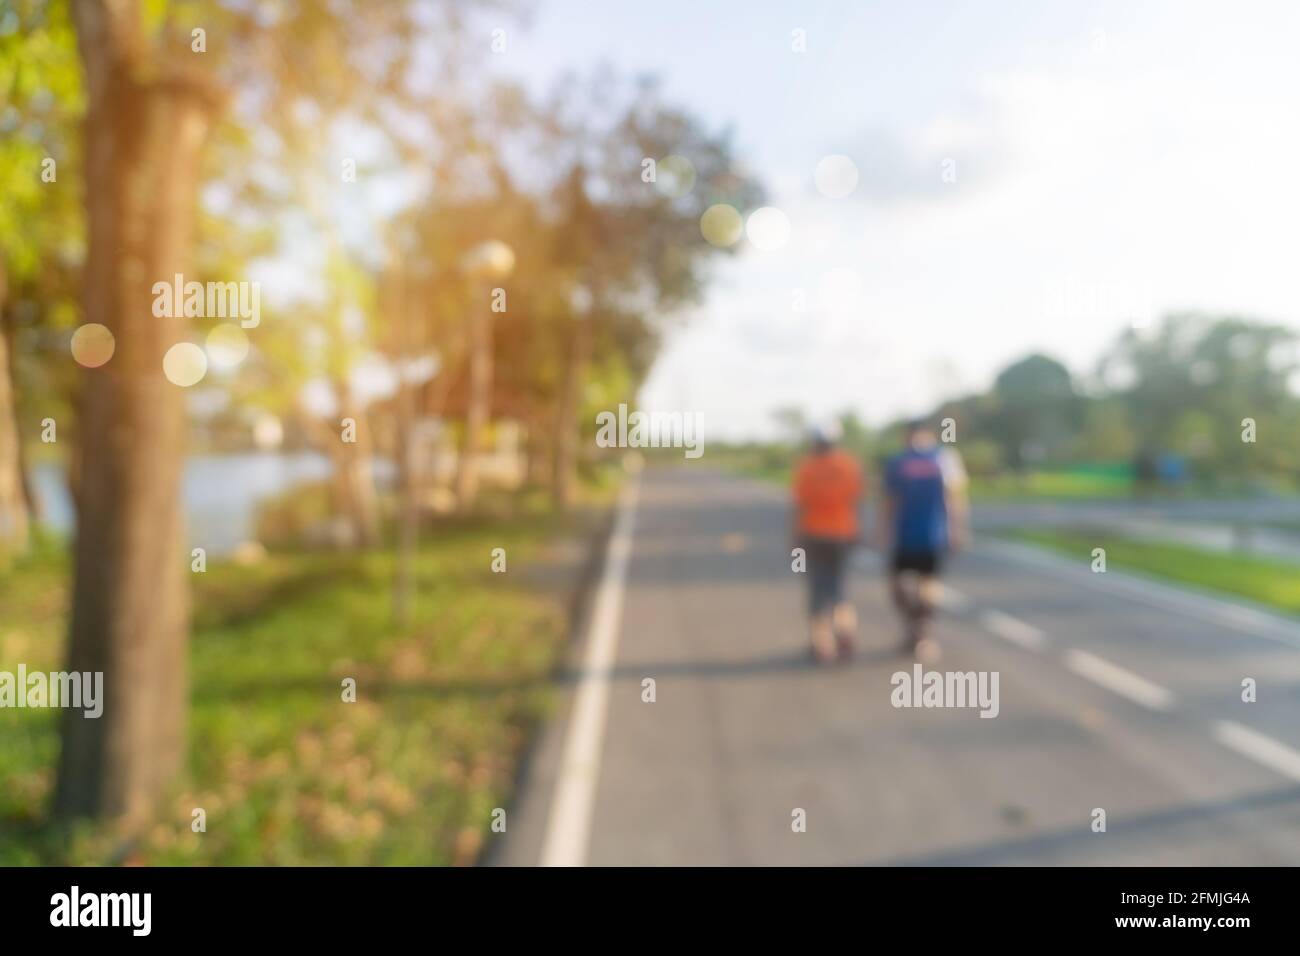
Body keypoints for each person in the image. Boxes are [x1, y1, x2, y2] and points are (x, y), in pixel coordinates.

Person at [877, 419, 970, 661]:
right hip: (917, 534)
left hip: (922, 535)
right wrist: (957, 529)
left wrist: (956, 528)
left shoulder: (934, 459)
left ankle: (921, 634)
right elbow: (891, 499)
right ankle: (918, 630)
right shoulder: (909, 461)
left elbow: (953, 497)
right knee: (911, 585)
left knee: (918, 585)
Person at [792, 423, 864, 664]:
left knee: (817, 591)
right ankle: (844, 632)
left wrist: (794, 538)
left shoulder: (806, 467)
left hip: (813, 535)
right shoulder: (849, 465)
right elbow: (856, 500)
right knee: (839, 589)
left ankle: (822, 645)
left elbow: (799, 506)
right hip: (843, 534)